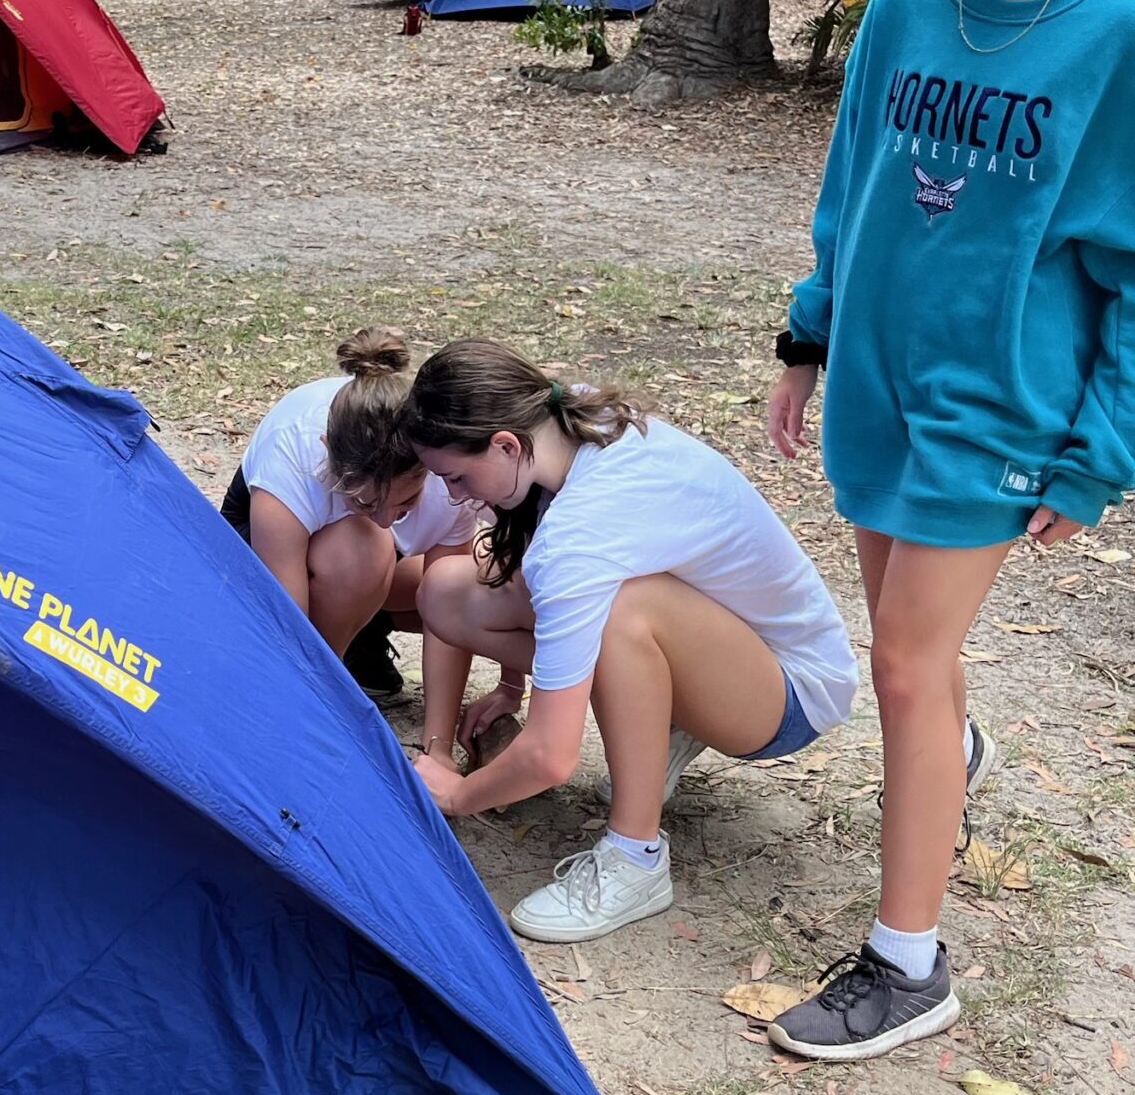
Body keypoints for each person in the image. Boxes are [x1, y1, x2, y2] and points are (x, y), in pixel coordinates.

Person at [764, 0, 1135, 1061]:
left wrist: (1100, 450)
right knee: (914, 664)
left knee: (908, 669)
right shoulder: (913, 6)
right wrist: (808, 334)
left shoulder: (1124, 23)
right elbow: (853, 181)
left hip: (1000, 405)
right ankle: (949, 767)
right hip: (876, 378)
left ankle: (907, 964)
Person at [404, 339, 857, 943]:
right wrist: (510, 689)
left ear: (506, 444)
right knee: (449, 589)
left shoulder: (581, 533)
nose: (458, 495)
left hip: (790, 695)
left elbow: (551, 756)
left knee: (621, 611)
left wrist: (459, 796)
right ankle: (662, 723)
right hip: (725, 642)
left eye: (458, 476)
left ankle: (634, 857)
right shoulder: (565, 416)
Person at [223, 330, 480, 758]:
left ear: (428, 465)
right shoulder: (295, 458)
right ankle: (328, 687)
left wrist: (438, 749)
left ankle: (362, 636)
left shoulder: (447, 473)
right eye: (364, 499)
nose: (384, 517)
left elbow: (449, 608)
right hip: (268, 548)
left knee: (473, 576)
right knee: (364, 547)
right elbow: (287, 624)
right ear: (328, 454)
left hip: (359, 564)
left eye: (404, 502)